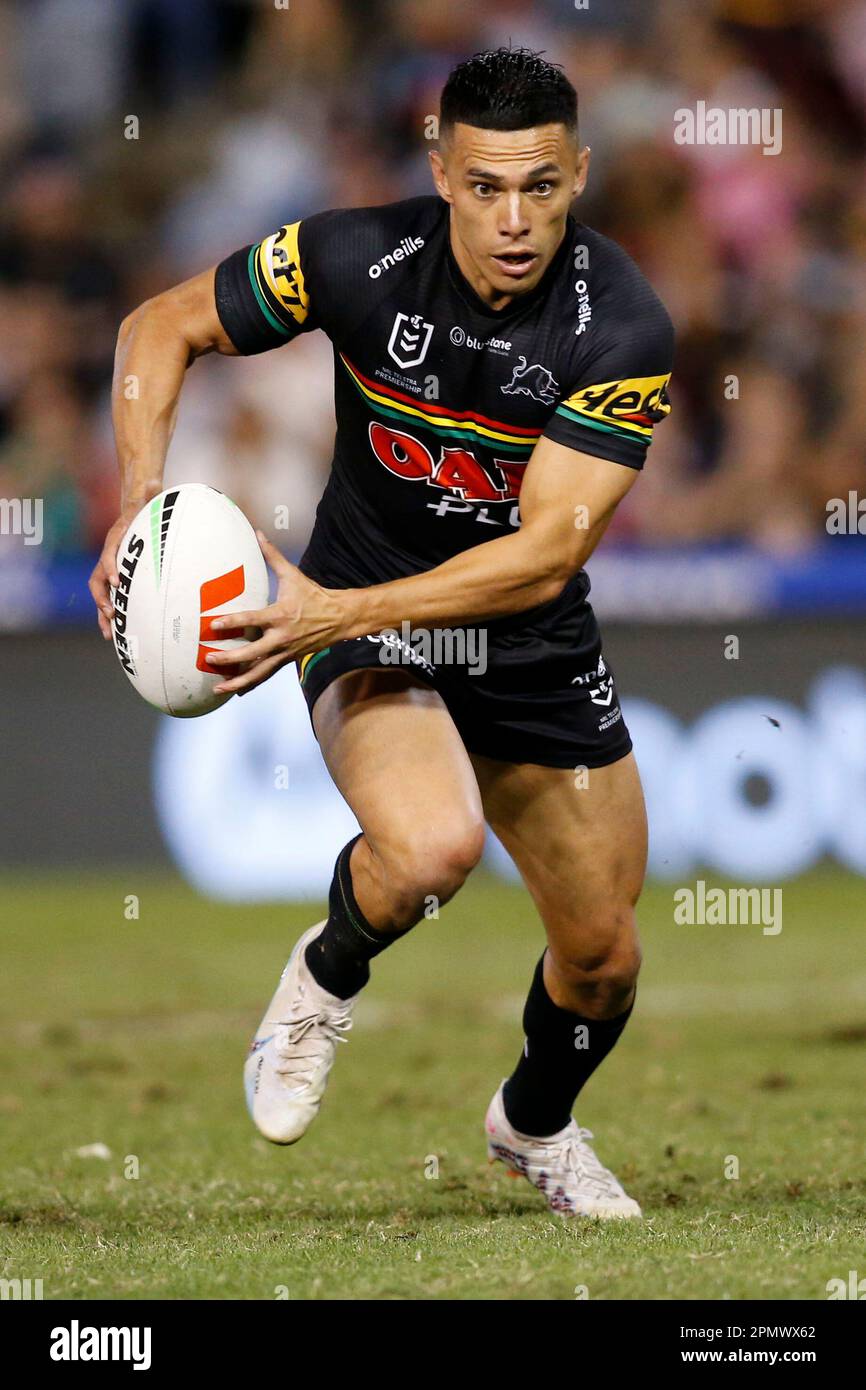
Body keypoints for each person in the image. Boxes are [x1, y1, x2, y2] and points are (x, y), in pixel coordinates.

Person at [90, 48, 674, 1220]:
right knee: (426, 851)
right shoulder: (354, 257)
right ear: (438, 169)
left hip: (515, 631)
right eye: (484, 186)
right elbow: (160, 329)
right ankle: (325, 975)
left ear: (579, 174)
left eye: (542, 188)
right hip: (367, 607)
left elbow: (547, 554)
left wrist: (322, 610)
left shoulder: (620, 326)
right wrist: (142, 506)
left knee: (603, 955)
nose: (514, 220)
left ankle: (534, 1125)